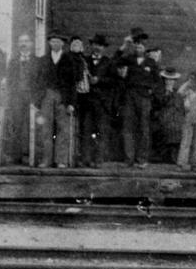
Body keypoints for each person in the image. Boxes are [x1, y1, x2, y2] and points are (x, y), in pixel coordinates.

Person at [34, 31, 77, 168]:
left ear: (63, 44)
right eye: (53, 41)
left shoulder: (69, 60)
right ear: (49, 43)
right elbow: (38, 82)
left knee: (63, 129)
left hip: (62, 97)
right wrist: (37, 101)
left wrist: (71, 102)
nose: (55, 44)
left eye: (58, 41)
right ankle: (46, 160)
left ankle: (61, 160)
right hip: (47, 95)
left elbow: (72, 83)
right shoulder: (43, 60)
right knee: (45, 128)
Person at [119, 36, 157, 168]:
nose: (138, 48)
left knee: (144, 128)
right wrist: (125, 45)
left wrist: (151, 91)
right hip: (130, 95)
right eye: (136, 46)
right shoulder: (128, 60)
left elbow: (157, 81)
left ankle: (142, 159)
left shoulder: (151, 62)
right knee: (128, 127)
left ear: (145, 48)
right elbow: (116, 61)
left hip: (144, 97)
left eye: (141, 46)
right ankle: (129, 159)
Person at [81, 35, 117, 167]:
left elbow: (114, 81)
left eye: (100, 45)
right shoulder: (85, 61)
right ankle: (86, 159)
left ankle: (99, 159)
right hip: (88, 102)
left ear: (104, 48)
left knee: (101, 132)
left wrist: (99, 80)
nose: (97, 48)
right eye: (95, 45)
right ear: (92, 46)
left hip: (102, 103)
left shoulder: (109, 62)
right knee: (86, 131)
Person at [4, 33, 36, 166]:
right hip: (17, 97)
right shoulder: (13, 61)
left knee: (31, 125)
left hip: (31, 97)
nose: (23, 44)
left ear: (31, 44)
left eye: (26, 41)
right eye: (21, 41)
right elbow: (9, 80)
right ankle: (15, 156)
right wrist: (11, 96)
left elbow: (39, 81)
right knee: (16, 125)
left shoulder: (36, 61)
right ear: (18, 44)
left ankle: (29, 155)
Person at [155, 67, 185, 165]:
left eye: (172, 80)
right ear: (164, 80)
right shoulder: (159, 92)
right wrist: (167, 93)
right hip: (163, 120)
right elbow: (158, 104)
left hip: (176, 122)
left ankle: (173, 158)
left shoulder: (178, 94)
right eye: (167, 79)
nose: (169, 82)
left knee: (176, 131)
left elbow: (181, 109)